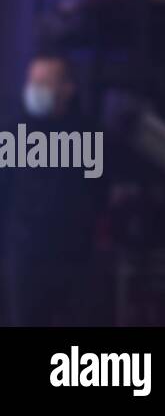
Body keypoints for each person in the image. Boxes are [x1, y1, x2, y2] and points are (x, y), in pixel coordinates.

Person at [0, 49, 106, 326]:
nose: (34, 90)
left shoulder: (88, 137)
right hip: (24, 260)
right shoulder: (13, 134)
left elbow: (99, 196)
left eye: (43, 83)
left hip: (74, 263)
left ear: (67, 88)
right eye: (31, 82)